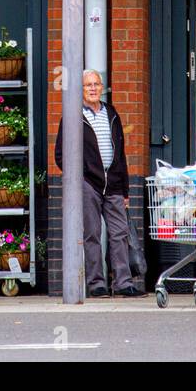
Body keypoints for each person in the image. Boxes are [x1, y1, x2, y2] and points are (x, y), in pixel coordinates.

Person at [54, 69, 146, 298]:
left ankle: (123, 283)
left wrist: (125, 190)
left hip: (113, 182)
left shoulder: (111, 113)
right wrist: (80, 177)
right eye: (88, 85)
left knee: (120, 233)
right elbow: (60, 154)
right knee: (92, 234)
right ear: (81, 90)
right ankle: (96, 284)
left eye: (97, 84)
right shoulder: (73, 116)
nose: (94, 88)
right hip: (89, 184)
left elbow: (121, 154)